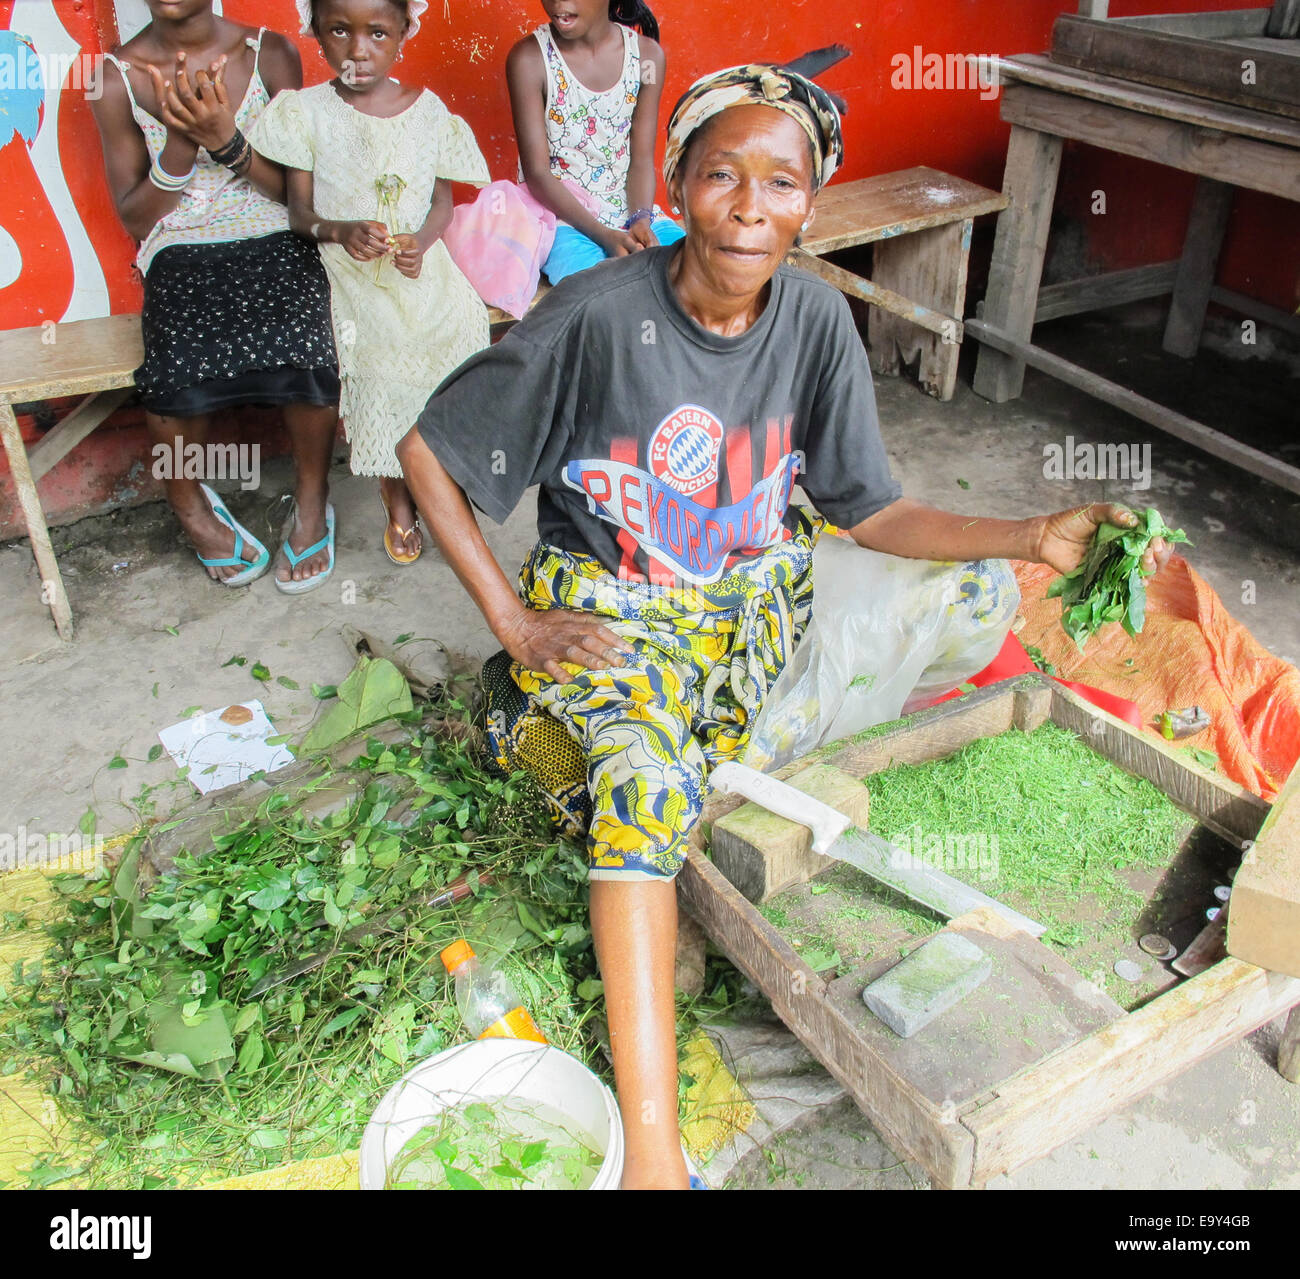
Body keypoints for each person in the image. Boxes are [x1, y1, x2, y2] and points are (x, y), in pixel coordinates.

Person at [395, 63, 1174, 1188]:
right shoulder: (595, 316)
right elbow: (430, 451)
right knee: (645, 792)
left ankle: (684, 765)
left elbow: (873, 508)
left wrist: (1029, 535)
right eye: (722, 177)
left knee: (971, 594)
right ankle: (652, 1155)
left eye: (781, 182)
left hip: (758, 603)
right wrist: (518, 622)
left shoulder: (812, 313)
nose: (750, 207)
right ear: (676, 185)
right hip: (619, 613)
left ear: (812, 199)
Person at [91, 0, 340, 593]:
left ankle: (311, 497)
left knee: (307, 335)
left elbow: (297, 196)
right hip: (179, 238)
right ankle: (190, 505)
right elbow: (135, 218)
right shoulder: (116, 77)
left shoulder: (269, 54)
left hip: (274, 227)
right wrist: (180, 144)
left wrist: (226, 141)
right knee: (173, 364)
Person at [248, 0, 490, 566]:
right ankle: (397, 491)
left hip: (417, 266)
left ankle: (441, 478)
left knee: (459, 327)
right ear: (314, 32)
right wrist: (340, 229)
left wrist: (421, 245)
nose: (358, 49)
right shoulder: (304, 112)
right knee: (380, 345)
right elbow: (299, 213)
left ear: (406, 30)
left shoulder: (429, 112)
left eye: (377, 32)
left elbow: (441, 206)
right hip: (347, 269)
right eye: (339, 31)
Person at [507, 0, 684, 285]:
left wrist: (640, 219)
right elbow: (537, 174)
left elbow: (640, 160)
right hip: (561, 220)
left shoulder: (648, 58)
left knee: (690, 268)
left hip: (630, 211)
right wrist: (604, 235)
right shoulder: (529, 59)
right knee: (603, 290)